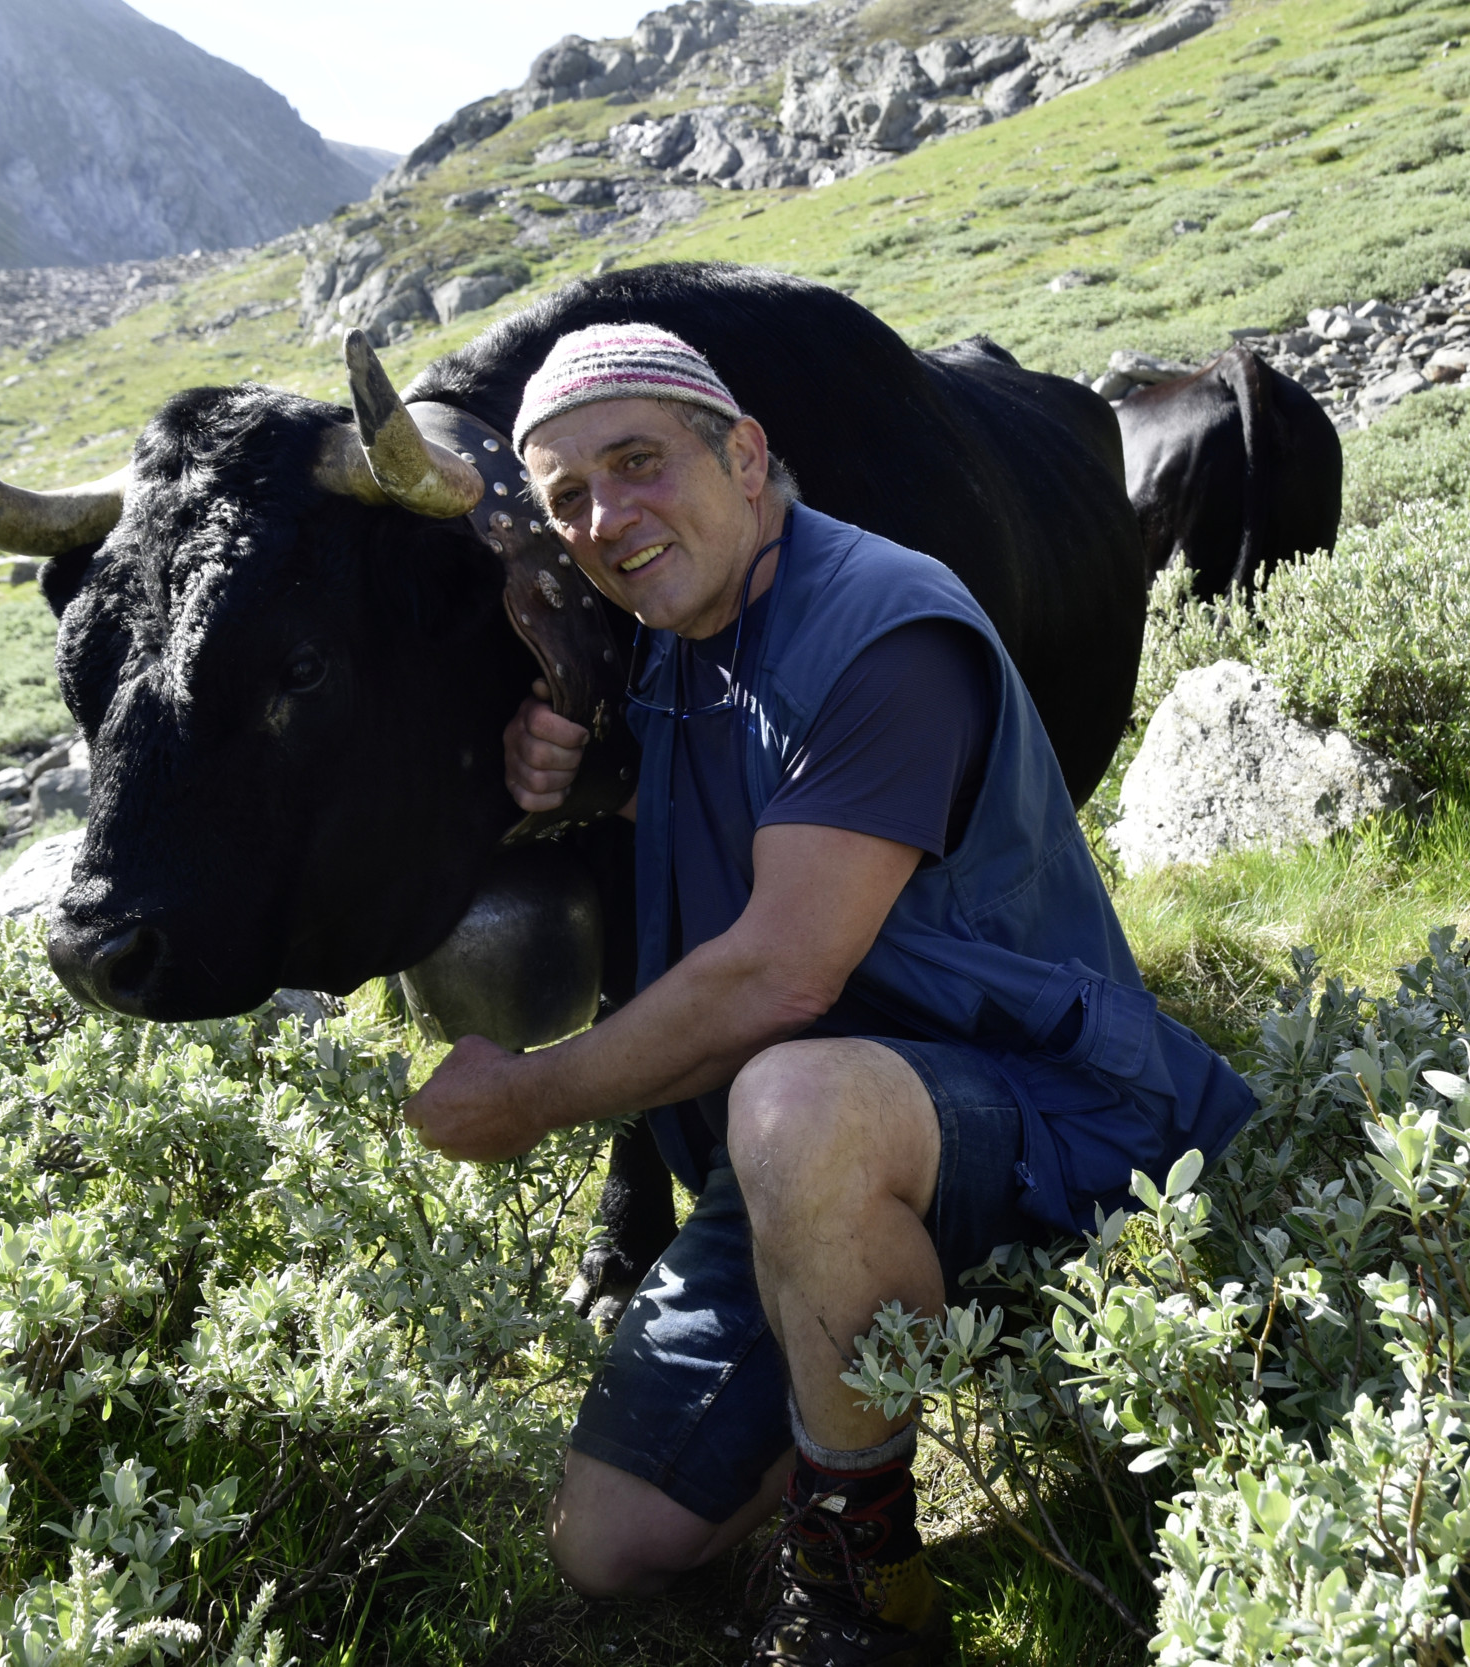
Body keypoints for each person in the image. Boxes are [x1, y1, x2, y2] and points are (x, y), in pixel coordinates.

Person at [403, 323, 1255, 1666]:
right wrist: (592, 773)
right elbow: (759, 797)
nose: (607, 518)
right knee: (605, 1543)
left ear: (745, 456)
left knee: (794, 1097)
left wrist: (528, 1097)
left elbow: (785, 969)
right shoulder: (691, 635)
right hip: (817, 1164)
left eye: (638, 464)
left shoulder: (878, 627)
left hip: (1058, 1112)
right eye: (568, 500)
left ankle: (862, 1577)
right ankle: (879, 1322)